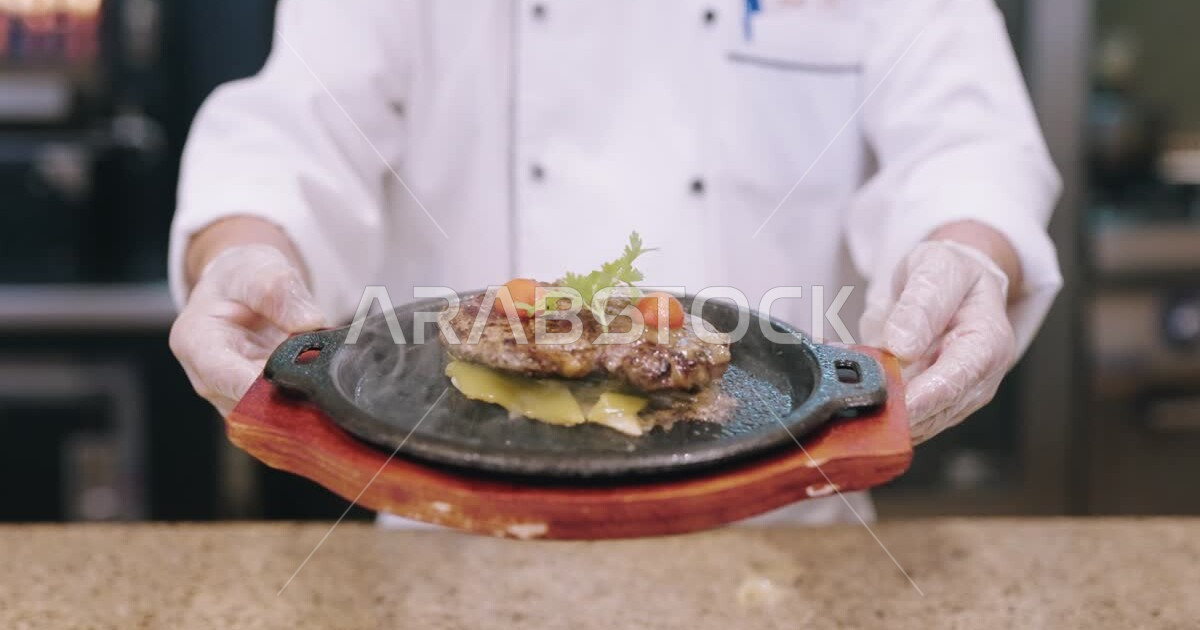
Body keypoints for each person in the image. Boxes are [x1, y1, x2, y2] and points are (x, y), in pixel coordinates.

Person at [169, 0, 1062, 526]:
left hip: (784, 535)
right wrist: (246, 248)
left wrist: (969, 256)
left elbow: (967, 139)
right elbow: (297, 125)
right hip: (465, 536)